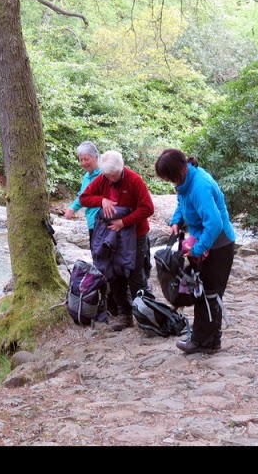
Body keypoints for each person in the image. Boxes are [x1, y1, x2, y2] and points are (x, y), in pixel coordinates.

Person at [154, 147, 236, 355]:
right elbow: (183, 203)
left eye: (169, 178)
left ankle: (206, 342)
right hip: (205, 241)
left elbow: (215, 223)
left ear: (178, 171)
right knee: (201, 290)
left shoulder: (200, 186)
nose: (170, 183)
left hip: (218, 245)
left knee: (210, 293)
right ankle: (204, 338)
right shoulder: (186, 182)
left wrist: (198, 249)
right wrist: (176, 220)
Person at [76, 150, 155, 331]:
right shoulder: (103, 179)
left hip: (136, 235)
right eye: (107, 176)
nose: (110, 179)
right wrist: (102, 200)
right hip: (111, 236)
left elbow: (148, 208)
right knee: (113, 274)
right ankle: (125, 315)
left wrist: (124, 222)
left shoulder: (134, 180)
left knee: (135, 276)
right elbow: (84, 198)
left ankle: (146, 315)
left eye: (113, 176)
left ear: (121, 169)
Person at [65, 142, 102, 233]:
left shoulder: (104, 174)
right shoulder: (86, 176)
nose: (83, 163)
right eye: (81, 160)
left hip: (104, 223)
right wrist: (72, 208)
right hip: (91, 223)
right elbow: (82, 196)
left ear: (96, 157)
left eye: (86, 159)